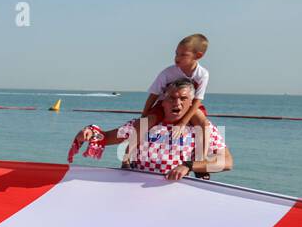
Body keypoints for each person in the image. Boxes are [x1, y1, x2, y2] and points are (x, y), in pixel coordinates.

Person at [74, 77, 233, 180]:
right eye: (171, 98)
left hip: (177, 195)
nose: (177, 103)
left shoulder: (202, 128)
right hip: (136, 192)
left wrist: (189, 166)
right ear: (163, 101)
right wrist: (89, 133)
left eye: (183, 99)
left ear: (192, 104)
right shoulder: (144, 125)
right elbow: (106, 137)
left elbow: (225, 161)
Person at [143, 34, 210, 130]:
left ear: (198, 56)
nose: (177, 58)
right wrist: (144, 116)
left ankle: (204, 145)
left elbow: (197, 100)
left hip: (188, 105)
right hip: (165, 104)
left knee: (203, 123)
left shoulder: (202, 74)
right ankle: (134, 144)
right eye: (176, 53)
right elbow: (154, 95)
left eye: (183, 55)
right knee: (146, 122)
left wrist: (183, 123)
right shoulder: (168, 73)